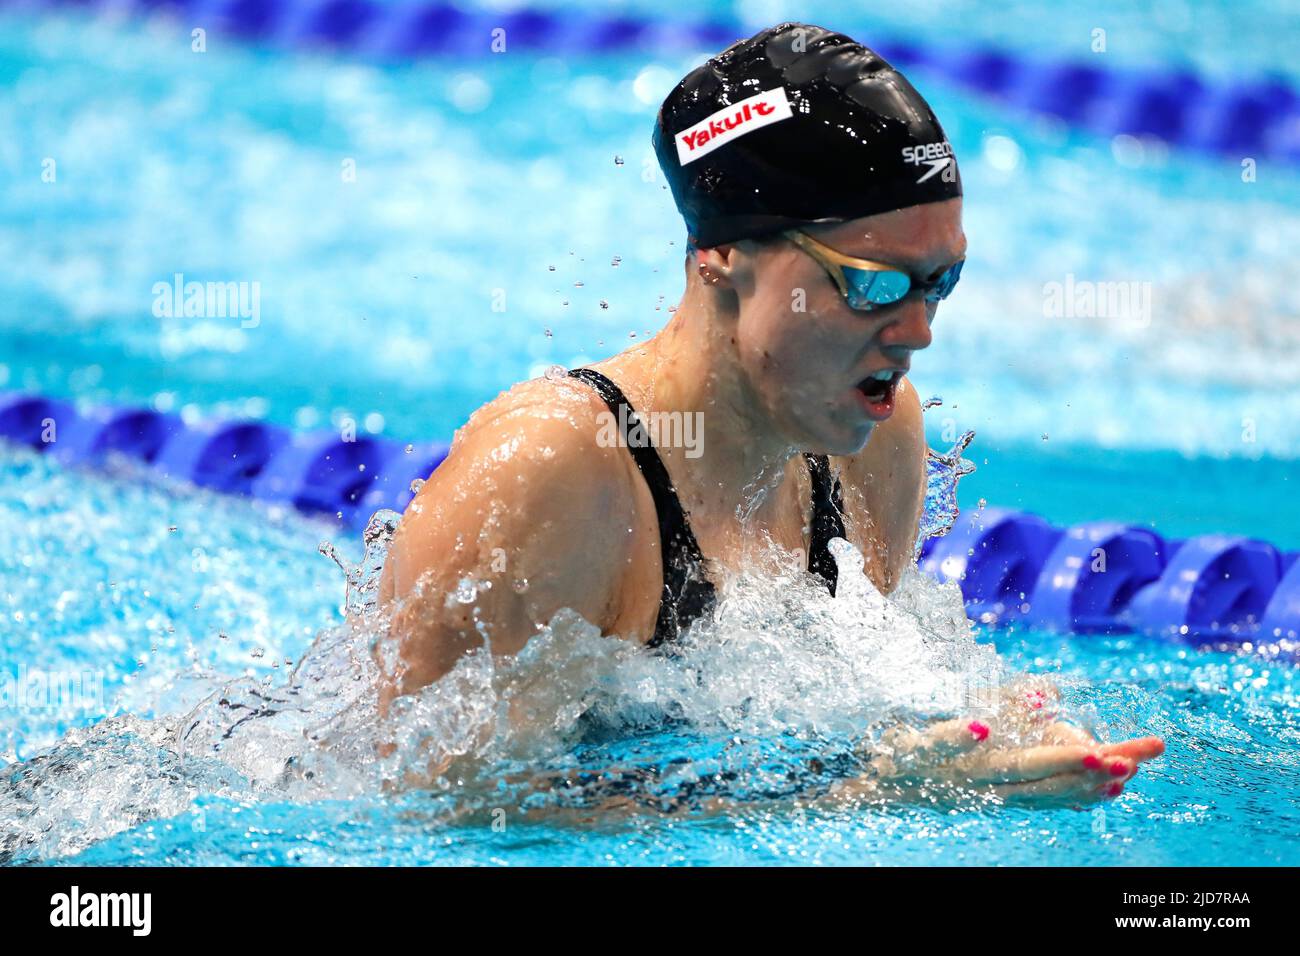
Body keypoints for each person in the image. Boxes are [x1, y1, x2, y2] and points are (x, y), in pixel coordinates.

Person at [377, 22, 1163, 803]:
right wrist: (861, 792)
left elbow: (850, 720)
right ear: (726, 257)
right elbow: (438, 809)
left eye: (940, 282)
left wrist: (992, 739)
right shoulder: (556, 474)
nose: (918, 332)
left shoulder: (874, 439)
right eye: (874, 284)